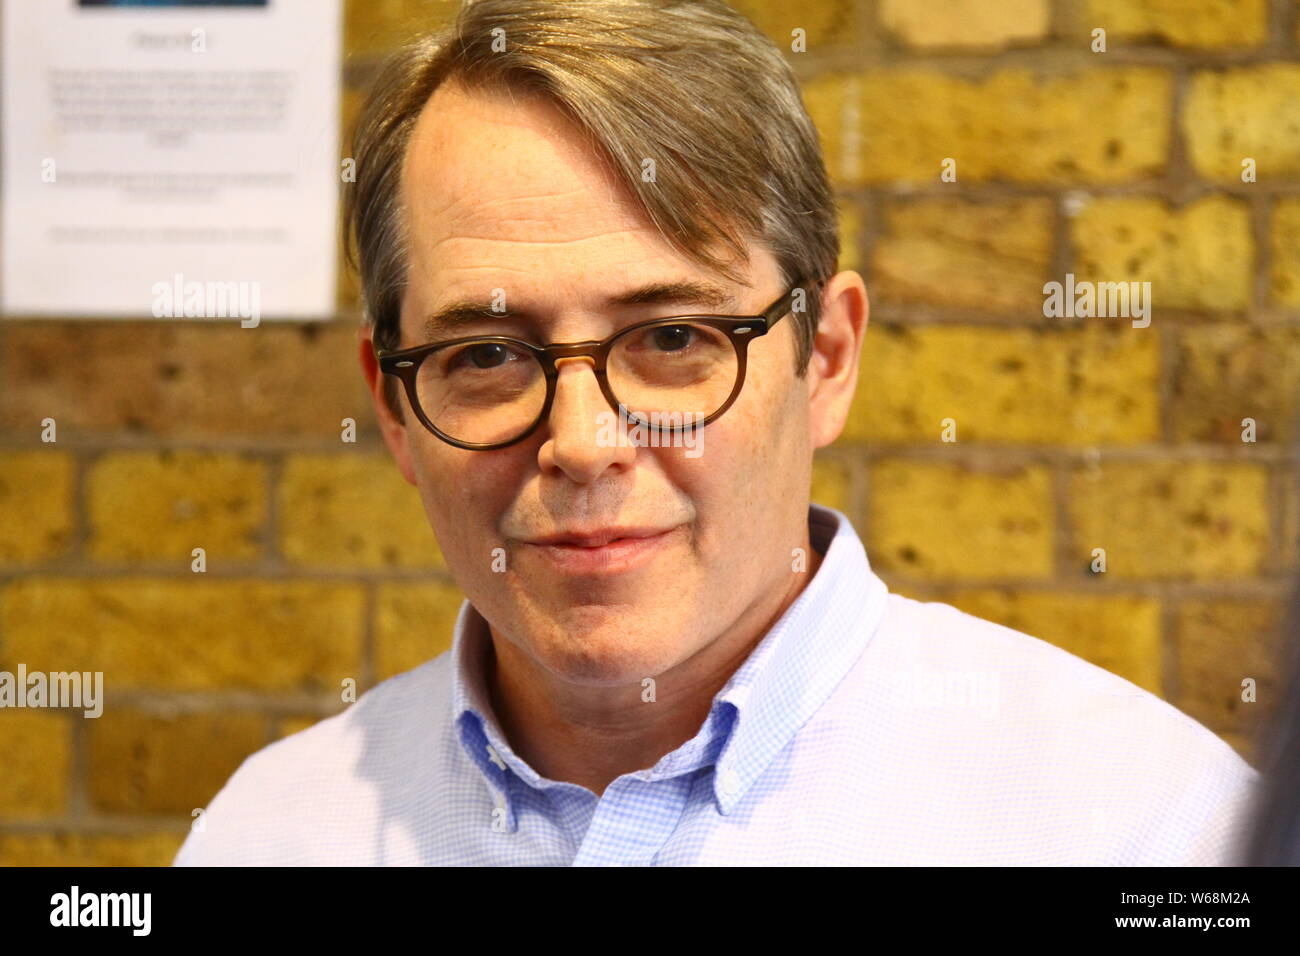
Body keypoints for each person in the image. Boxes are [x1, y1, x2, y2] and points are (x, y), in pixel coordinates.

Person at [175, 0, 1257, 865]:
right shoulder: (270, 831)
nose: (584, 441)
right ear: (396, 409)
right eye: (488, 355)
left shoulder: (1151, 826)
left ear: (825, 357)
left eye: (674, 336)